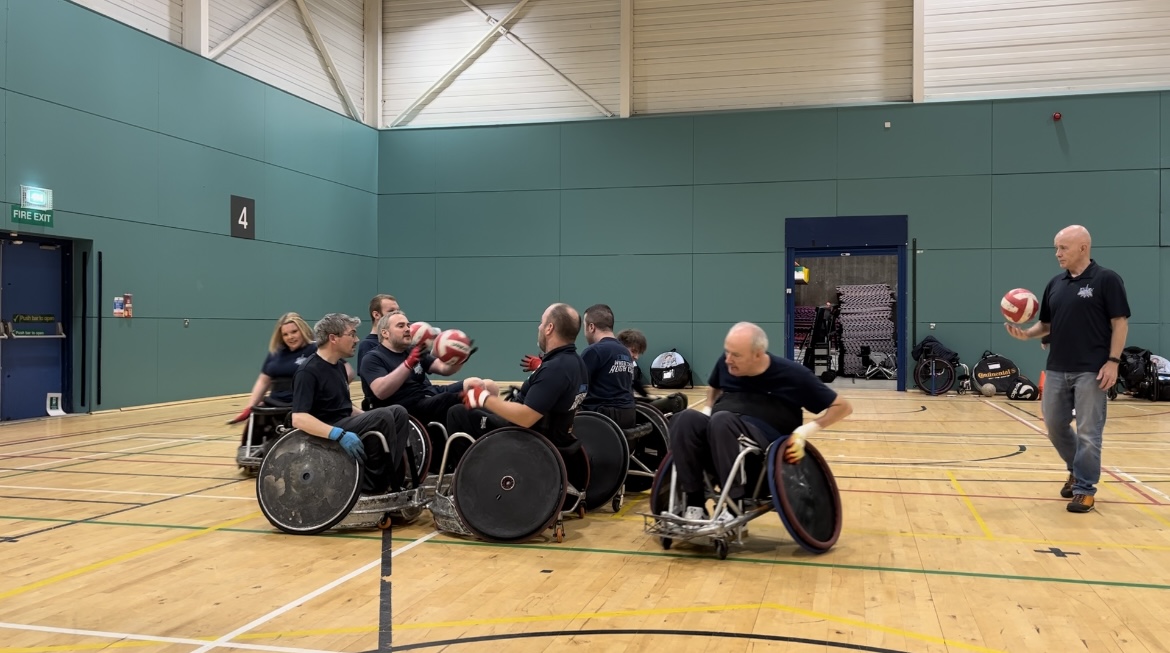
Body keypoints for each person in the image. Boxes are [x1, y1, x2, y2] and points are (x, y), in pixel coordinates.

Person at [666, 322, 852, 524]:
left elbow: (843, 406)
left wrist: (803, 431)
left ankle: (734, 505)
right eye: (727, 352)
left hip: (760, 444)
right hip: (722, 430)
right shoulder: (727, 363)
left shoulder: (793, 374)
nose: (728, 360)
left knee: (722, 421)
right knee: (685, 418)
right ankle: (694, 503)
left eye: (736, 355)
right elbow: (714, 386)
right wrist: (708, 409)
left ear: (758, 354)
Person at [1005, 225, 1130, 513]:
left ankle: (1084, 488)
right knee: (1054, 425)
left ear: (1083, 248)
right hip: (1057, 368)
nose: (1057, 253)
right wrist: (1027, 334)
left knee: (1089, 431)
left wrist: (1113, 362)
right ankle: (1076, 469)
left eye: (1063, 248)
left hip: (1092, 370)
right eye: (1056, 248)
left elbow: (1119, 322)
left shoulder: (1106, 279)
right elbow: (1046, 324)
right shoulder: (1055, 284)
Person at [291, 313, 414, 494]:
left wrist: (368, 418)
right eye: (352, 334)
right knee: (383, 415)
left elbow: (345, 407)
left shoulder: (339, 367)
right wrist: (338, 434)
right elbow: (298, 418)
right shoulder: (308, 372)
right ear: (333, 338)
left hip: (344, 423)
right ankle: (371, 487)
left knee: (398, 412)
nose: (357, 339)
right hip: (327, 430)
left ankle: (390, 478)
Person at [450, 303, 588, 455]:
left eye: (541, 323)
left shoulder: (555, 370)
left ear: (549, 328)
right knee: (476, 411)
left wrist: (484, 398)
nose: (539, 327)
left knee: (457, 413)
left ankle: (470, 475)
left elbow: (525, 418)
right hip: (553, 437)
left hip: (525, 440)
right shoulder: (577, 363)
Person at [359, 310, 495, 427]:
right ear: (385, 333)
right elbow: (381, 391)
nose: (407, 329)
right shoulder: (373, 358)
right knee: (453, 399)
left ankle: (493, 428)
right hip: (406, 405)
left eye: (408, 325)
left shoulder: (412, 351)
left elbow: (444, 369)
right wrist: (408, 364)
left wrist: (460, 357)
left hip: (427, 394)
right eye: (401, 326)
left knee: (476, 384)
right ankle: (493, 427)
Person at [522, 304, 635, 428]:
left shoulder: (595, 351)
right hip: (629, 414)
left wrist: (543, 367)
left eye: (585, 327)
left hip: (603, 417)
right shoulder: (624, 351)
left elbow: (575, 380)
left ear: (591, 327)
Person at [357, 294, 399, 371]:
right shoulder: (367, 345)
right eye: (391, 311)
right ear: (376, 315)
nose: (397, 315)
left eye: (397, 311)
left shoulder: (401, 341)